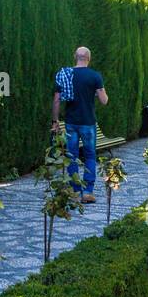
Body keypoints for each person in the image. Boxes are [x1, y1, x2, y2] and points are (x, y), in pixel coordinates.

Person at [51, 47, 108, 204]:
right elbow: (104, 101)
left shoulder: (64, 75)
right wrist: (97, 92)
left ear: (75, 57)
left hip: (70, 122)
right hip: (88, 123)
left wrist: (55, 121)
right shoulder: (95, 76)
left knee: (71, 156)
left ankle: (75, 191)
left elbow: (56, 100)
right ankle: (88, 192)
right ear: (88, 58)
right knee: (90, 155)